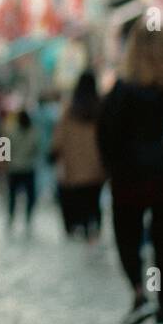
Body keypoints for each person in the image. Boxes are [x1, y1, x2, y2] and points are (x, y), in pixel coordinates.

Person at [97, 27, 163, 324]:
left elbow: (106, 133)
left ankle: (140, 293)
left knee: (128, 239)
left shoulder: (123, 90)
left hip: (130, 178)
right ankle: (162, 312)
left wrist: (112, 167)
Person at [50, 71, 105, 242]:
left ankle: (83, 224)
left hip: (74, 166)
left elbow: (59, 137)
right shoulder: (101, 108)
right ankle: (93, 225)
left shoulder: (69, 110)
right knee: (94, 198)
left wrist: (55, 152)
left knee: (79, 197)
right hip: (97, 166)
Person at [3, 108, 39, 234]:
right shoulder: (33, 132)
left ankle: (11, 218)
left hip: (14, 169)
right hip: (28, 168)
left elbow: (4, 151)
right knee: (30, 197)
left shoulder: (11, 132)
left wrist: (5, 163)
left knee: (12, 196)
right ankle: (28, 218)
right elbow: (36, 148)